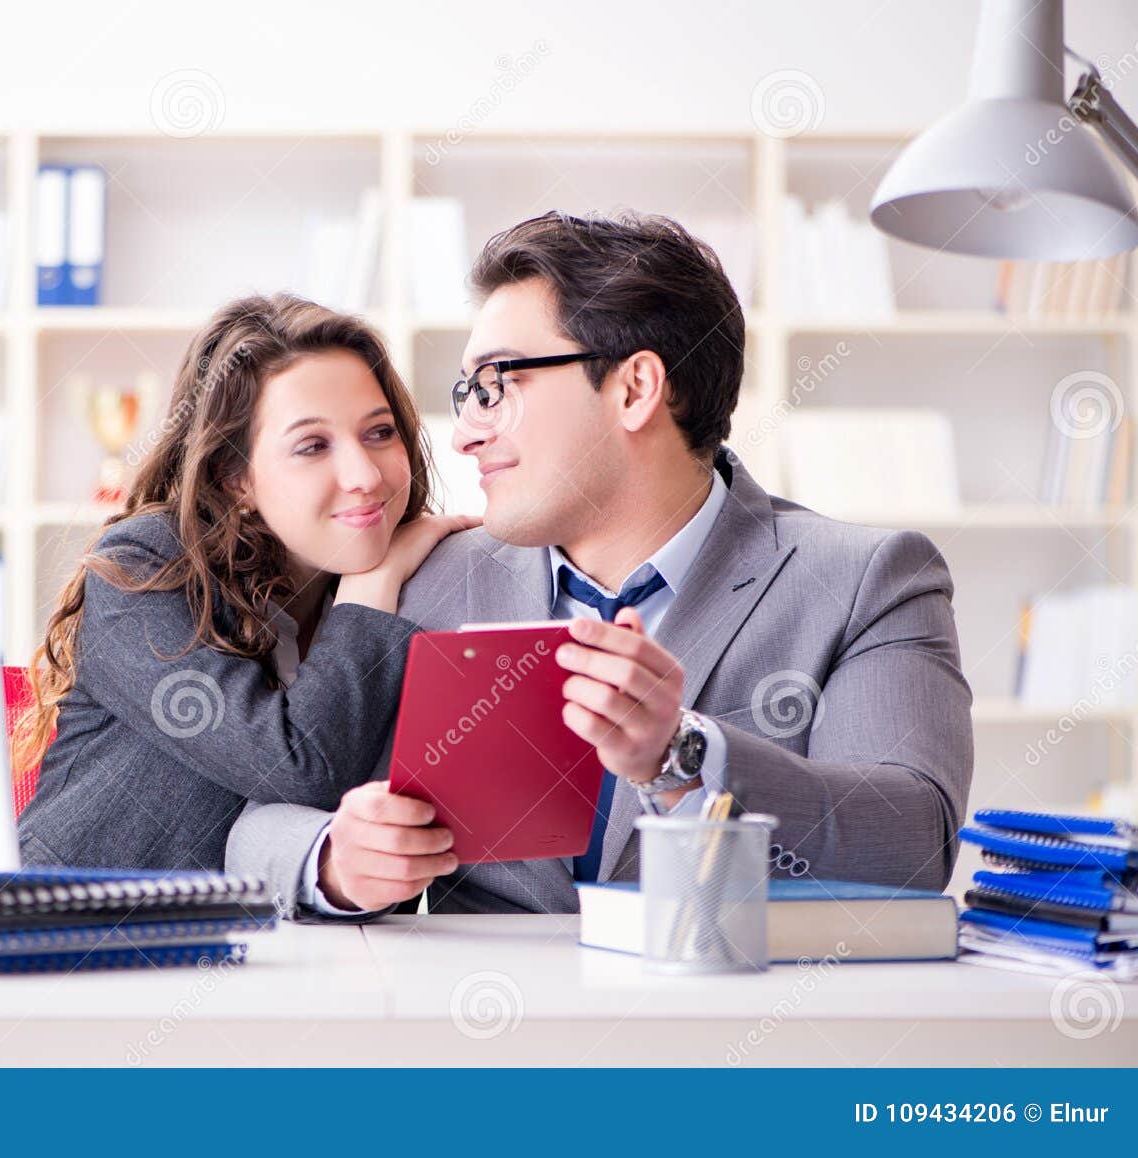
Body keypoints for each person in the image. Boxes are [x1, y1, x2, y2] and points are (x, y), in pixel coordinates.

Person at [227, 211, 975, 916]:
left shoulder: (868, 580)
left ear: (634, 388)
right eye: (467, 394)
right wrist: (333, 858)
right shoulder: (431, 583)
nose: (465, 436)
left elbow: (912, 842)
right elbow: (258, 826)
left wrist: (685, 756)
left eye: (496, 386)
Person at [13, 294, 475, 875]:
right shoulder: (143, 567)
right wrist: (370, 590)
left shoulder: (415, 584)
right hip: (78, 945)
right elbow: (299, 767)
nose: (365, 476)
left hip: (289, 952)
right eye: (312, 446)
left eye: (379, 433)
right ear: (236, 479)